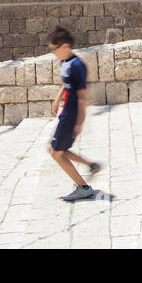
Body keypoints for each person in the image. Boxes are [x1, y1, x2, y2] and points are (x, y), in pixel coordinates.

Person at [46, 26, 101, 201]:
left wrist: (79, 122)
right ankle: (91, 165)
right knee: (57, 150)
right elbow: (66, 83)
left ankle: (83, 187)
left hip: (71, 115)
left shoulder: (78, 66)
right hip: (65, 112)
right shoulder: (65, 62)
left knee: (56, 152)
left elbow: (82, 97)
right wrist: (57, 99)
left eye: (54, 50)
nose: (54, 54)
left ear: (65, 47)